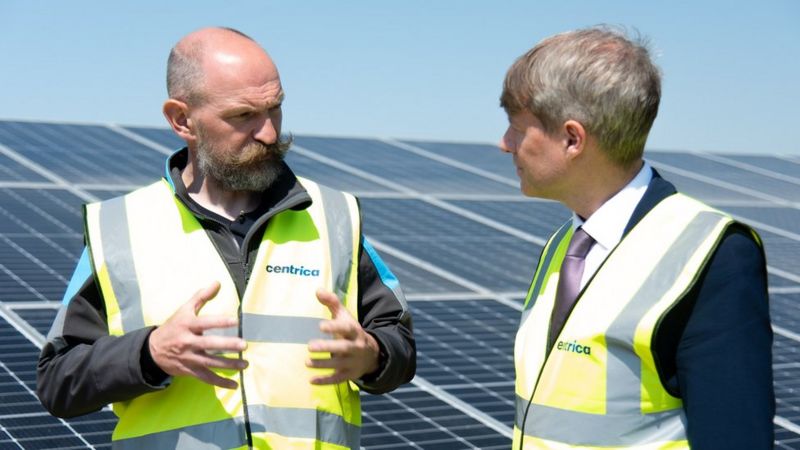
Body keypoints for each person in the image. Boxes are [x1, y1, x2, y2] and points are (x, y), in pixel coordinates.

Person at [36, 27, 415, 449]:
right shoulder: (119, 226)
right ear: (182, 120)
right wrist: (149, 353)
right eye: (244, 116)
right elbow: (57, 382)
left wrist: (373, 356)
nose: (269, 133)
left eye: (275, 109)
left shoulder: (335, 216)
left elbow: (400, 345)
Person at [500, 27, 773, 449]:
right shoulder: (563, 243)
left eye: (517, 128)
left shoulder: (713, 253)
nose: (505, 144)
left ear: (573, 139)